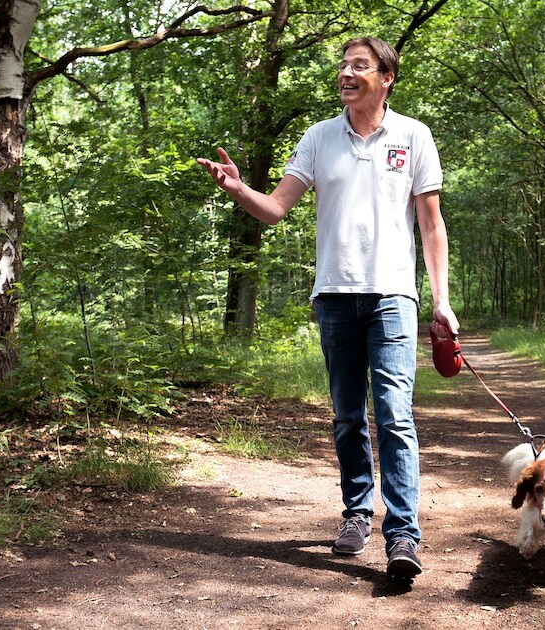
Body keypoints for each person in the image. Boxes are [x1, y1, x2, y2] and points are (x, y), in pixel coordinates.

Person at [196, 36, 459, 580]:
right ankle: (357, 513)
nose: (346, 73)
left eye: (359, 65)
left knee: (394, 414)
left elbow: (432, 225)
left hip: (393, 296)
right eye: (343, 65)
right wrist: (238, 189)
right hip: (335, 296)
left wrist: (442, 301)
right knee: (346, 416)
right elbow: (275, 208)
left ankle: (403, 535)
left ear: (386, 77)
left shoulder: (414, 135)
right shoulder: (319, 137)